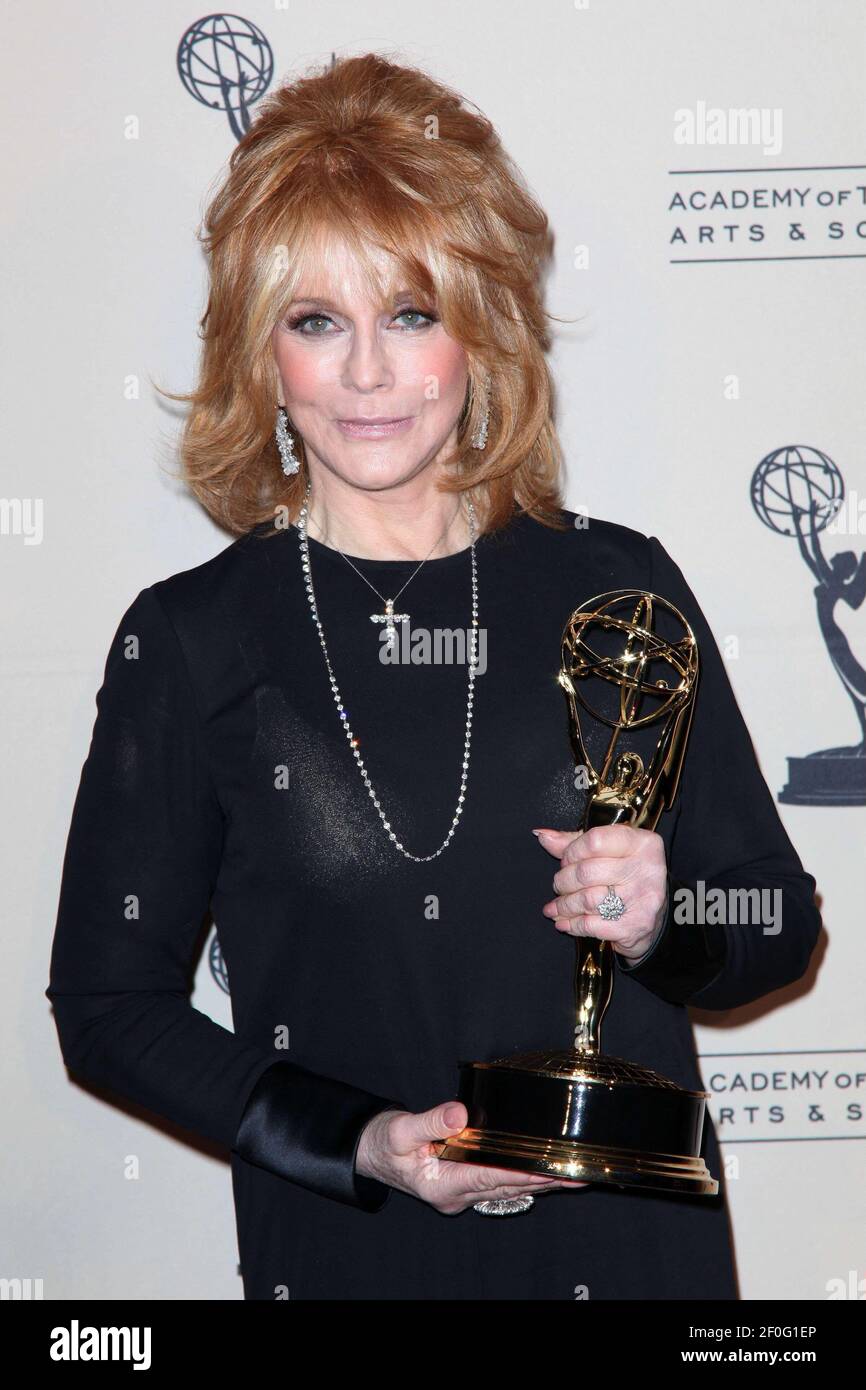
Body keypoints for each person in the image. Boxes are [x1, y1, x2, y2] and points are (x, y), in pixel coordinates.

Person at [46, 52, 822, 1301]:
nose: (366, 374)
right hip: (357, 1260)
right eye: (317, 321)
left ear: (482, 324)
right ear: (262, 348)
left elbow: (773, 922)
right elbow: (108, 1005)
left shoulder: (614, 588)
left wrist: (667, 918)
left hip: (630, 1260)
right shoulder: (189, 639)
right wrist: (360, 1144)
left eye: (410, 313)